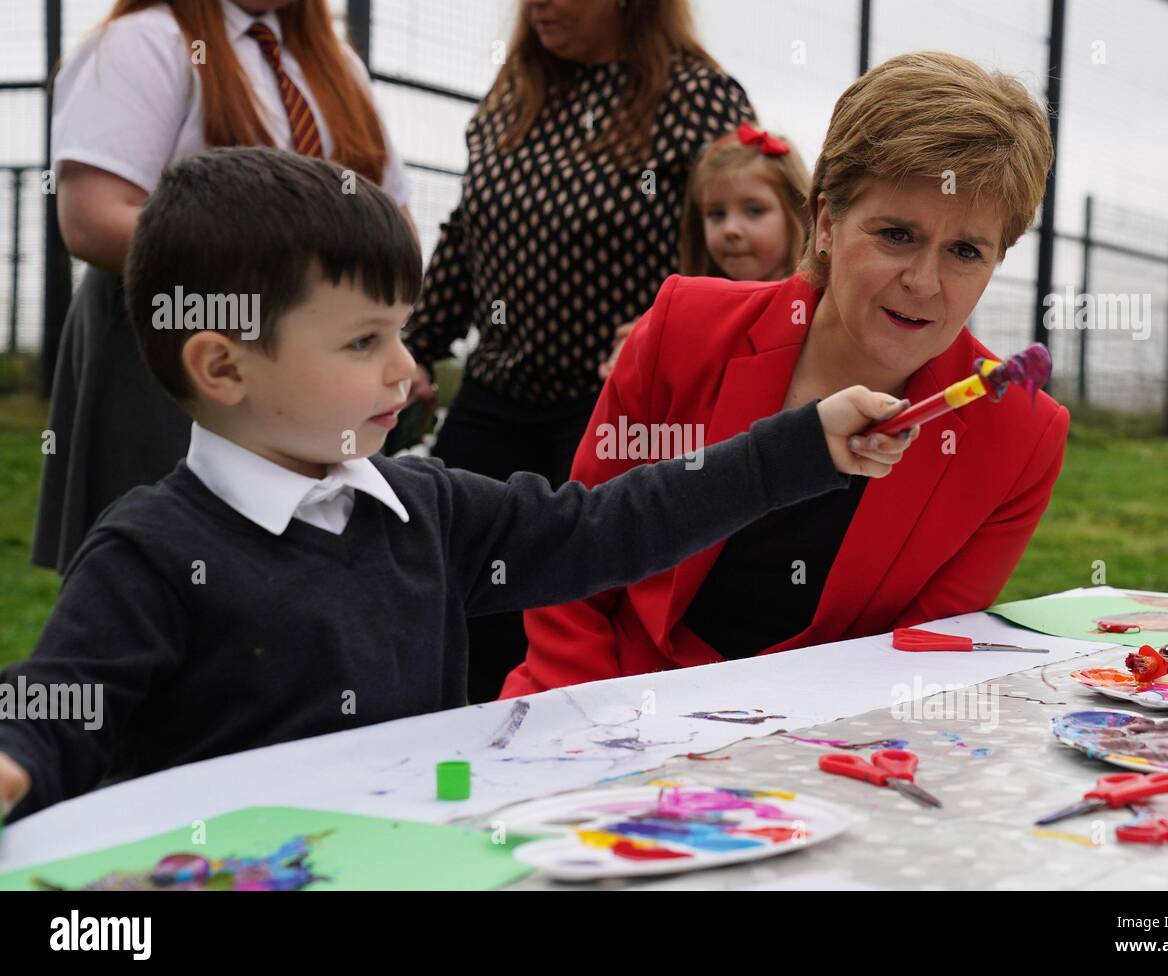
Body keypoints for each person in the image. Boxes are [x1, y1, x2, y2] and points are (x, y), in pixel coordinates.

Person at [0, 146, 918, 821]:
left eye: (402, 332)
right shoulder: (149, 551)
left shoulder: (428, 508)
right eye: (364, 342)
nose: (408, 370)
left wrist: (795, 448)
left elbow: (610, 527)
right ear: (223, 364)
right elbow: (60, 706)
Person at [504, 51, 1069, 697]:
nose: (923, 282)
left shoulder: (1021, 436)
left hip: (816, 748)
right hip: (600, 700)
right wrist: (594, 738)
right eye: (896, 235)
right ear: (826, 223)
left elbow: (918, 664)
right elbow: (576, 560)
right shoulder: (683, 328)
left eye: (965, 250)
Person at [402, 0, 756, 702]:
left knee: (577, 607)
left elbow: (738, 233)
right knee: (449, 588)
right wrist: (417, 345)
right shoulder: (516, 92)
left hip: (610, 403)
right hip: (498, 389)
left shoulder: (697, 97)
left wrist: (681, 322)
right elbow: (468, 231)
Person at [32, 0, 414, 574]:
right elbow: (92, 217)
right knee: (159, 571)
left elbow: (395, 209)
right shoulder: (146, 40)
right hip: (174, 344)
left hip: (312, 362)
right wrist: (282, 281)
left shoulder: (338, 67)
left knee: (300, 571)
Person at [601, 120, 810, 379]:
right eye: (716, 214)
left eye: (754, 211)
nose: (730, 229)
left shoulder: (813, 308)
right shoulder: (694, 306)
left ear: (799, 212)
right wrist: (643, 341)